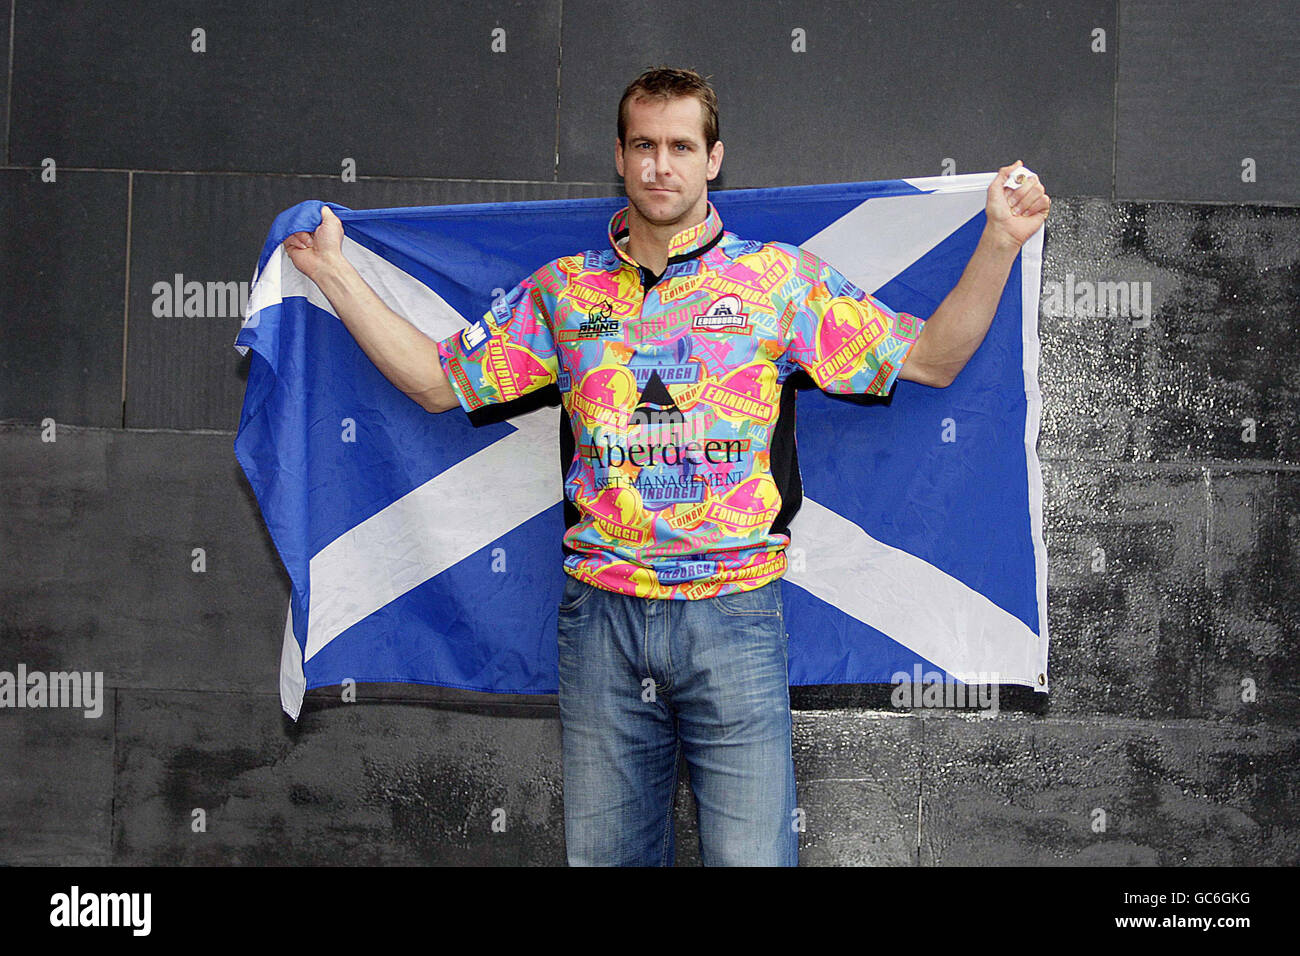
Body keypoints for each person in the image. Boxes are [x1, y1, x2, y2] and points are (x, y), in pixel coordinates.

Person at [283, 67, 1050, 866]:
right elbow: (438, 382)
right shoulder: (564, 294)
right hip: (601, 622)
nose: (660, 165)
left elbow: (929, 357)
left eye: (681, 146)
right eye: (644, 145)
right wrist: (334, 272)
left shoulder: (778, 284)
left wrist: (999, 238)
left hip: (735, 614)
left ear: (713, 159)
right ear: (618, 155)